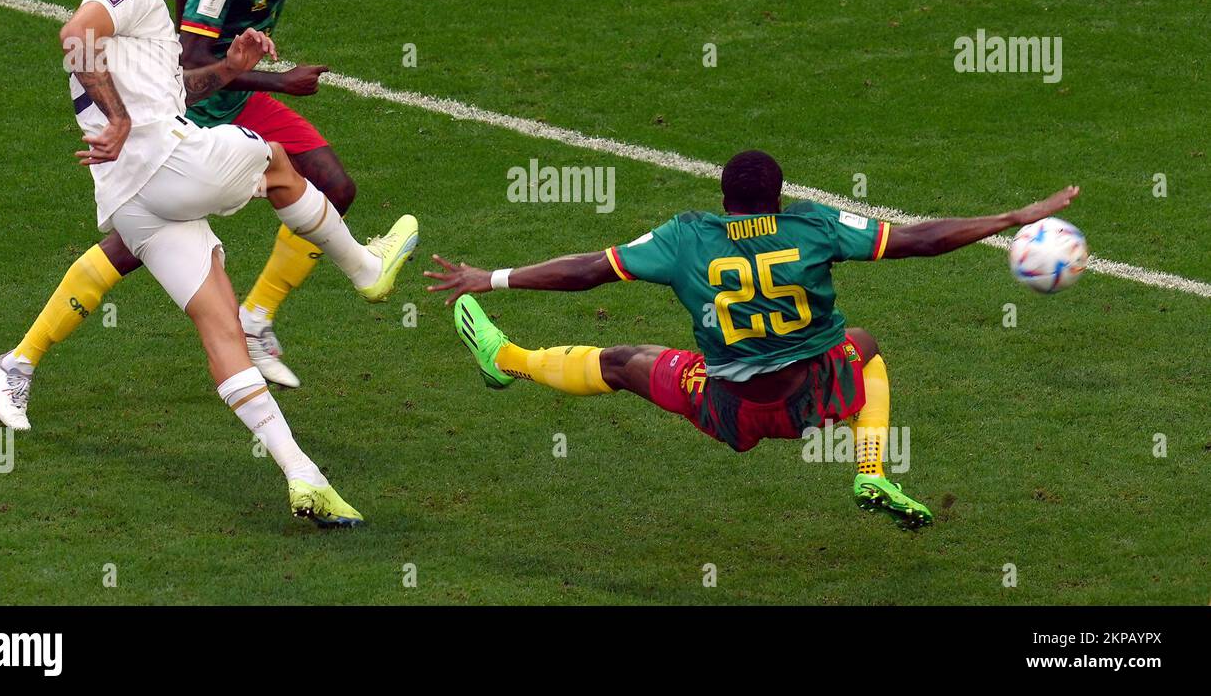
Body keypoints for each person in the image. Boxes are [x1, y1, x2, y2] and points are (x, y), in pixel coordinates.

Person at [0, 0, 419, 526]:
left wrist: (232, 70)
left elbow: (174, 90)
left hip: (134, 203)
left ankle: (304, 476)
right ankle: (364, 269)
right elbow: (75, 37)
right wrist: (119, 119)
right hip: (163, 166)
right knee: (275, 159)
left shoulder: (144, 20)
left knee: (222, 329)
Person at [427, 149, 1078, 530]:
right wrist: (1008, 218)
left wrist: (493, 277)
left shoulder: (686, 237)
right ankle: (871, 472)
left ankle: (505, 359)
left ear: (723, 196)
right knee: (864, 343)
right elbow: (920, 240)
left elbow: (588, 271)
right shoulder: (814, 227)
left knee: (623, 362)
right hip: (811, 398)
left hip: (728, 407)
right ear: (781, 195)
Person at [0, 0, 397, 398]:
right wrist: (277, 81)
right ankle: (21, 359)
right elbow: (186, 59)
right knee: (136, 241)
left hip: (229, 95)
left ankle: (256, 318)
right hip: (198, 105)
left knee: (332, 185)